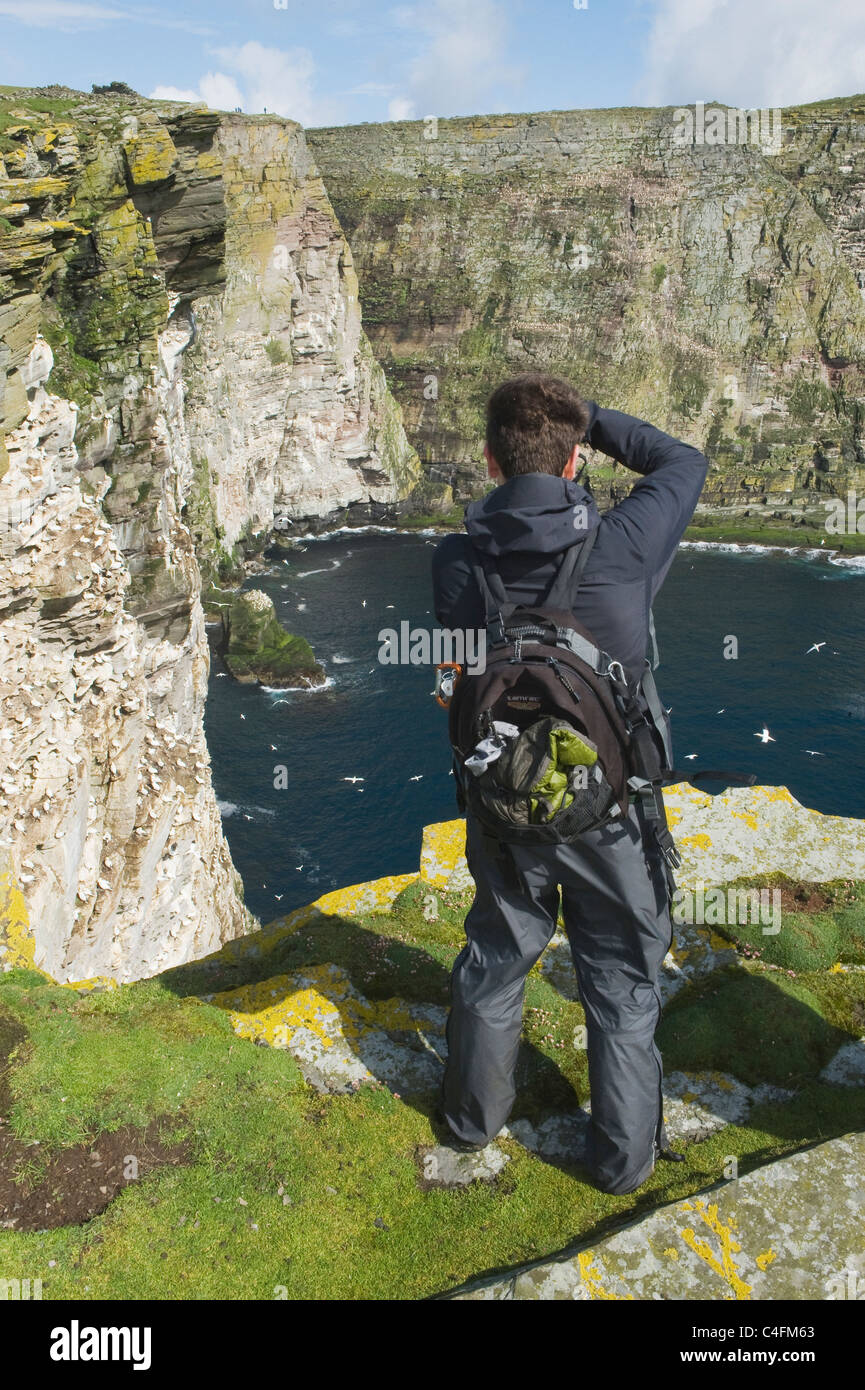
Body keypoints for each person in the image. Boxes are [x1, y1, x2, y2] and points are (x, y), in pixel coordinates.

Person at [431, 373, 709, 1195]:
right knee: (621, 986)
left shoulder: (455, 560)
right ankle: (621, 1166)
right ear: (575, 458)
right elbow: (680, 463)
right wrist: (595, 422)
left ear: (488, 461)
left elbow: (460, 670)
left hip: (504, 801)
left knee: (495, 956)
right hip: (611, 814)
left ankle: (470, 1123)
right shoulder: (623, 543)